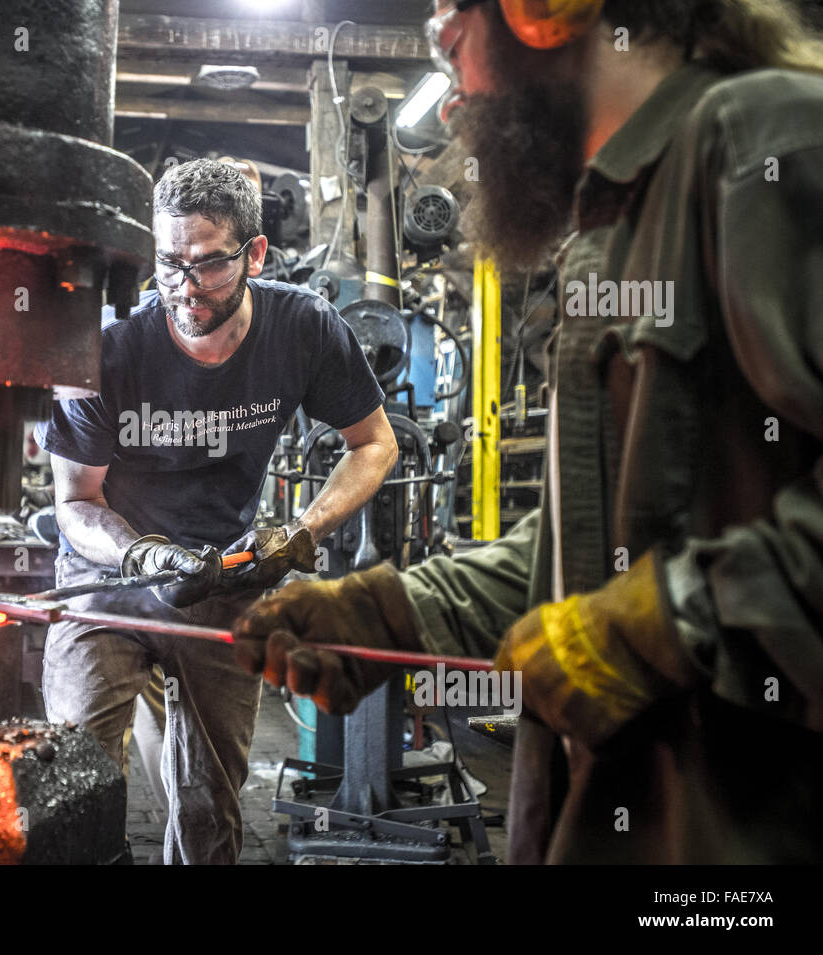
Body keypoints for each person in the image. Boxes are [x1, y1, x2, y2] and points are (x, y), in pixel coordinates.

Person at [234, 0, 823, 864]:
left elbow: (641, 602)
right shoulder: (618, 220)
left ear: (544, 11)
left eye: (450, 37)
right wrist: (397, 613)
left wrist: (665, 624)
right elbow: (599, 558)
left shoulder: (761, 146)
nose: (451, 97)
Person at [36, 158, 398, 864]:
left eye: (207, 265)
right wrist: (142, 553)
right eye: (168, 264)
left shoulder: (304, 329)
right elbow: (76, 501)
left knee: (208, 805)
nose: (184, 287)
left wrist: (301, 531)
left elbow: (374, 445)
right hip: (105, 579)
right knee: (73, 782)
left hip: (223, 574)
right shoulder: (108, 346)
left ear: (255, 253)